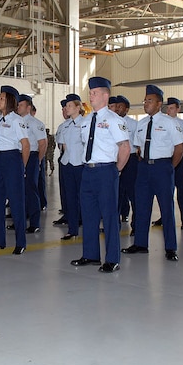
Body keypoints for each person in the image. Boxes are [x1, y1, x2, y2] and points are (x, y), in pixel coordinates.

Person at [70, 77, 131, 273]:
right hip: (88, 170)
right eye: (90, 92)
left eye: (94, 93)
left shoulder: (114, 120)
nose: (91, 95)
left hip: (106, 171)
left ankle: (112, 258)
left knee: (109, 216)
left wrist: (117, 170)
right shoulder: (86, 120)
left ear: (105, 96)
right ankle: (91, 254)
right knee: (88, 214)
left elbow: (125, 147)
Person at [123, 85, 183, 261]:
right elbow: (139, 148)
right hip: (144, 168)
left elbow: (179, 149)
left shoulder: (169, 123)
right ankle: (141, 243)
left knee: (166, 208)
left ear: (159, 104)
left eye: (150, 101)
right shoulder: (141, 124)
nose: (146, 104)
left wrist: (169, 167)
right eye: (145, 101)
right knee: (141, 206)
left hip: (162, 167)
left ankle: (170, 247)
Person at [0, 85, 30, 254]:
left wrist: (21, 167)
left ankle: (21, 242)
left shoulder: (17, 120)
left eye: (1, 98)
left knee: (16, 202)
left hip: (12, 160)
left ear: (10, 101)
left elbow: (26, 145)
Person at [14, 94, 46, 233]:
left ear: (28, 107)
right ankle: (20, 221)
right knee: (18, 190)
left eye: (20, 105)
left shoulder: (35, 123)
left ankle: (34, 222)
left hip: (31, 156)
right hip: (17, 156)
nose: (18, 107)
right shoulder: (15, 121)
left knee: (30, 190)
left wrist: (38, 161)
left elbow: (43, 144)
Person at [163, 97, 183, 229]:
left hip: (179, 159)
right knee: (165, 191)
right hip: (166, 159)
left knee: (182, 190)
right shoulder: (162, 123)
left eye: (172, 108)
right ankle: (164, 217)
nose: (169, 111)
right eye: (168, 108)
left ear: (178, 109)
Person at [59, 93, 85, 241]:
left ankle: (87, 227)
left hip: (80, 164)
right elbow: (63, 145)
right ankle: (72, 229)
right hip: (68, 164)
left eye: (69, 106)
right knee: (70, 198)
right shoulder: (65, 125)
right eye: (66, 106)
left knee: (84, 198)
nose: (66, 108)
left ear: (77, 107)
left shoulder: (85, 123)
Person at [114, 95, 138, 228]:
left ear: (127, 109)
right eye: (116, 106)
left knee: (132, 193)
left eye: (120, 106)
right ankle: (115, 223)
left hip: (131, 160)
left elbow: (138, 144)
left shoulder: (134, 124)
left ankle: (135, 225)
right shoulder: (111, 122)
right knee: (116, 193)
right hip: (115, 159)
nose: (117, 109)